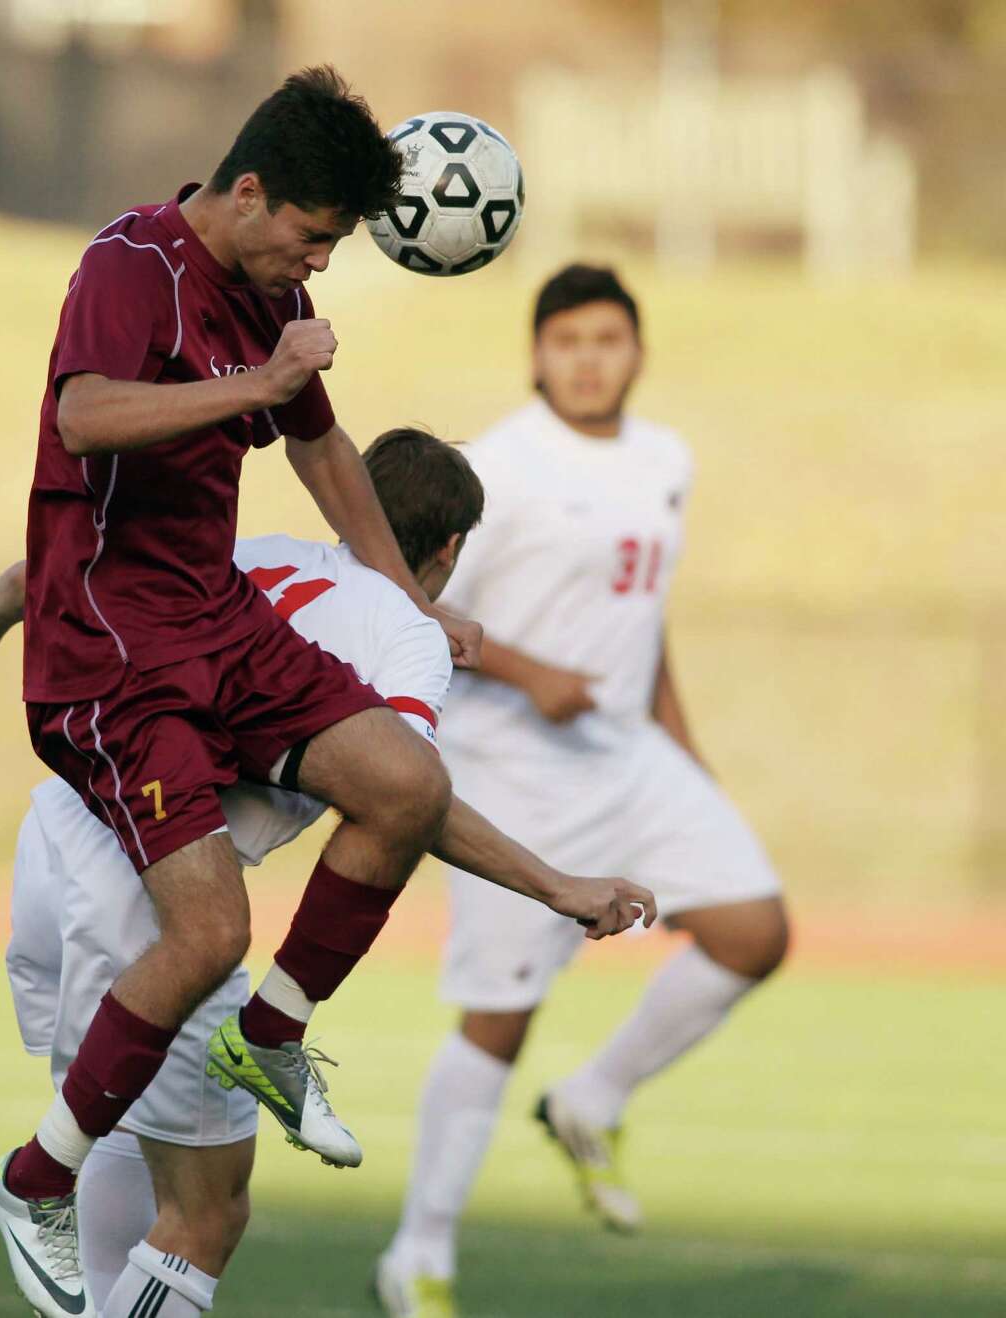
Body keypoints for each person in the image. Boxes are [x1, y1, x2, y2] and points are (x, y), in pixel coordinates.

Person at [0, 63, 485, 1318]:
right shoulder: (131, 266)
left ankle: (272, 1040)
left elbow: (328, 451)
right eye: (316, 238)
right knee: (209, 933)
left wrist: (411, 610)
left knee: (404, 782)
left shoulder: (252, 286)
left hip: (212, 625)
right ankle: (32, 1181)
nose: (322, 267)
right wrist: (261, 388)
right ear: (247, 192)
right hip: (114, 656)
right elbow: (86, 419)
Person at [0, 428, 656, 1317]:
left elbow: (57, 571)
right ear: (449, 550)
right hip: (160, 897)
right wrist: (556, 884)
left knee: (119, 1115)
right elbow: (410, 803)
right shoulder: (406, 640)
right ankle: (259, 1044)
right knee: (207, 1211)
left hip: (55, 836)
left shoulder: (251, 557)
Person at [376, 266, 790, 1318]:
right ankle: (417, 1252)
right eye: (569, 340)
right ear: (538, 354)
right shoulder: (498, 467)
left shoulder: (665, 460)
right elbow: (414, 606)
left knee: (754, 930)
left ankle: (594, 1097)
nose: (590, 357)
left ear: (637, 351)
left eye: (609, 337)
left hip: (633, 754)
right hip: (517, 771)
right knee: (500, 1020)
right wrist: (530, 675)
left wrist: (685, 753)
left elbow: (643, 625)